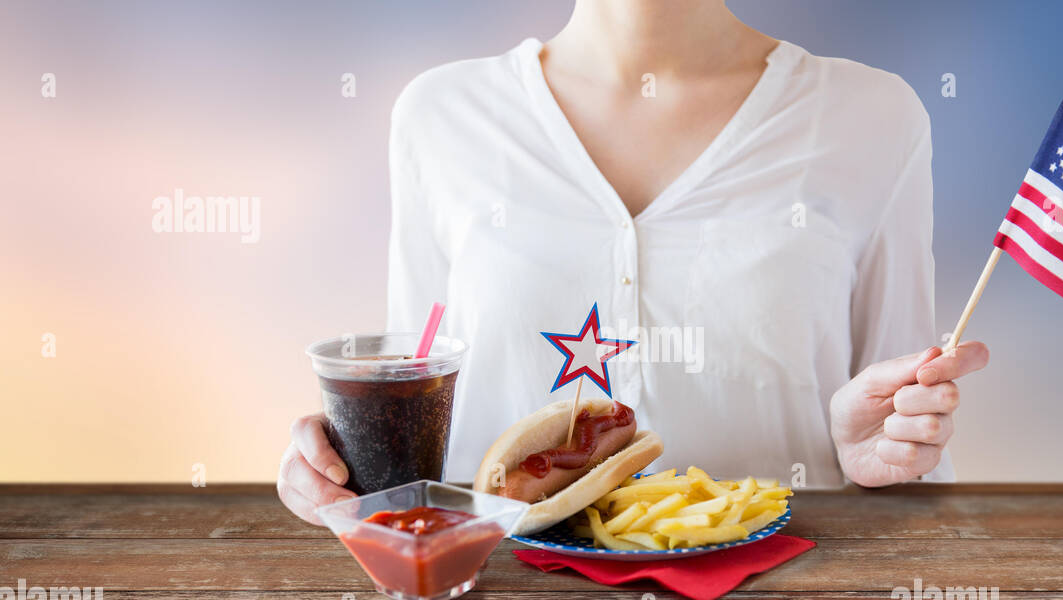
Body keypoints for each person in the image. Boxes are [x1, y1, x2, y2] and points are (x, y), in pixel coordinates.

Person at [278, 0, 989, 525]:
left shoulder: (873, 117)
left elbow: (910, 449)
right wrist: (347, 467)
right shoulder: (439, 116)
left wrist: (875, 459)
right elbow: (418, 414)